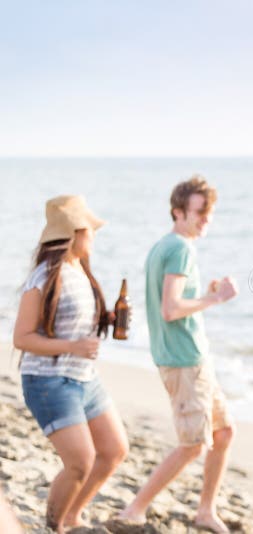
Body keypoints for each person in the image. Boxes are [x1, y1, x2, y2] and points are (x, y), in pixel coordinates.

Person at [118, 176, 238, 533]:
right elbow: (170, 309)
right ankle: (133, 509)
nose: (206, 220)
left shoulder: (165, 246)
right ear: (178, 211)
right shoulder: (180, 249)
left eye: (209, 213)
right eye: (200, 212)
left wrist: (204, 293)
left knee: (225, 432)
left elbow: (172, 302)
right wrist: (215, 298)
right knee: (193, 445)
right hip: (184, 361)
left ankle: (205, 511)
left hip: (192, 359)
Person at [13, 195, 129, 533]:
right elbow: (22, 338)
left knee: (113, 451)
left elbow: (71, 321)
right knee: (80, 461)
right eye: (89, 229)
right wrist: (73, 346)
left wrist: (107, 318)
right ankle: (54, 527)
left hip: (83, 378)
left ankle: (72, 515)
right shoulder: (44, 276)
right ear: (73, 233)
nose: (94, 234)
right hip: (48, 382)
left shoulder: (80, 269)